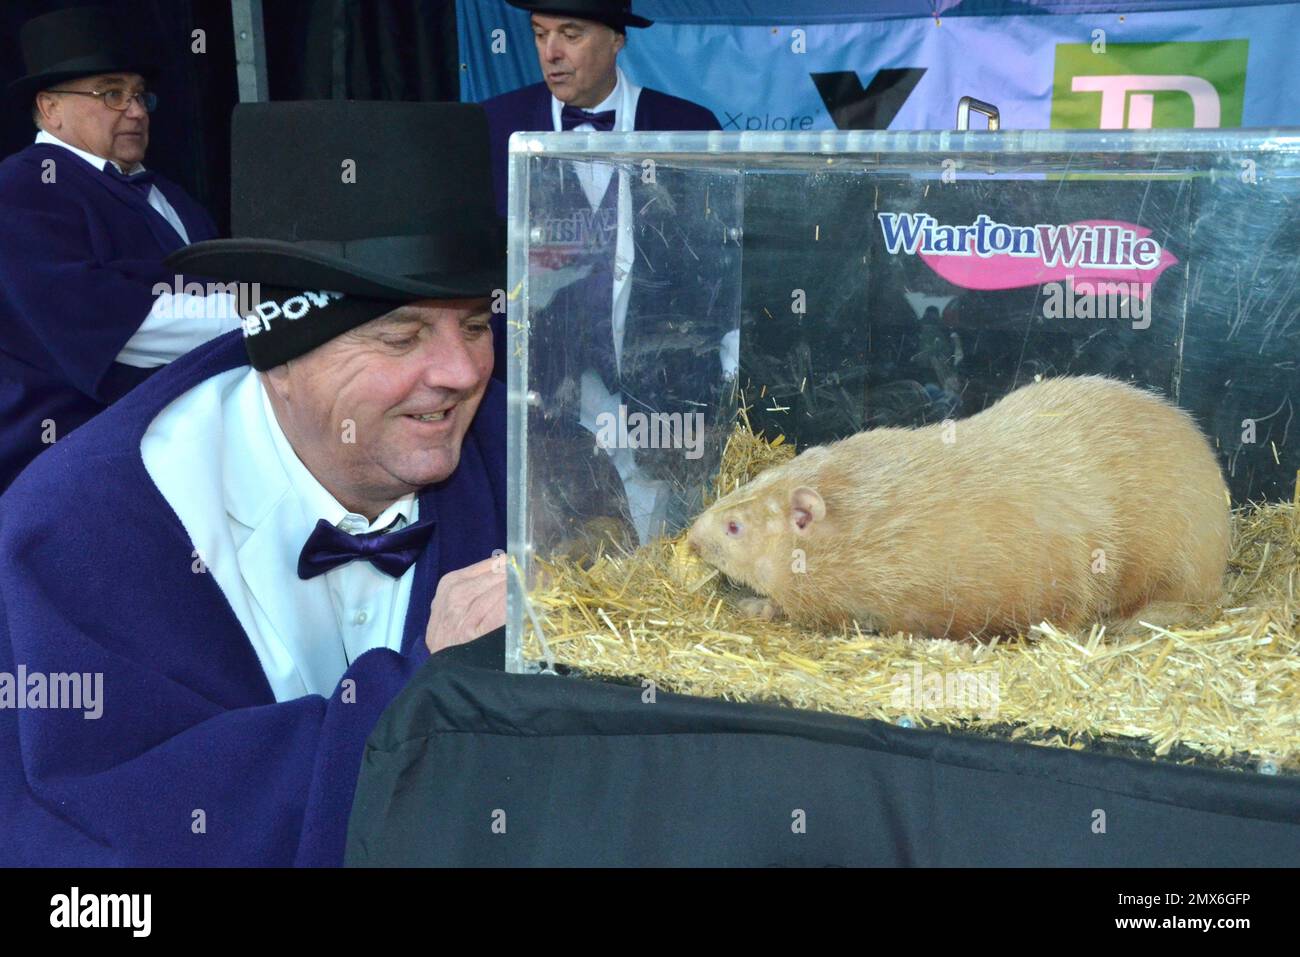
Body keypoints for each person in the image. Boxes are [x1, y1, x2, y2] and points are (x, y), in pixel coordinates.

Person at [0, 100, 506, 867]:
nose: (462, 372)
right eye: (401, 335)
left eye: (475, 325)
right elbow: (100, 847)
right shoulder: (74, 535)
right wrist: (424, 689)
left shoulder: (525, 458)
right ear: (280, 355)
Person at [0, 5, 239, 490]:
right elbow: (105, 323)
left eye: (138, 96)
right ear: (50, 108)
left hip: (193, 445)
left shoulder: (174, 197)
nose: (134, 110)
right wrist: (261, 317)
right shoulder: (21, 187)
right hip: (71, 459)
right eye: (111, 94)